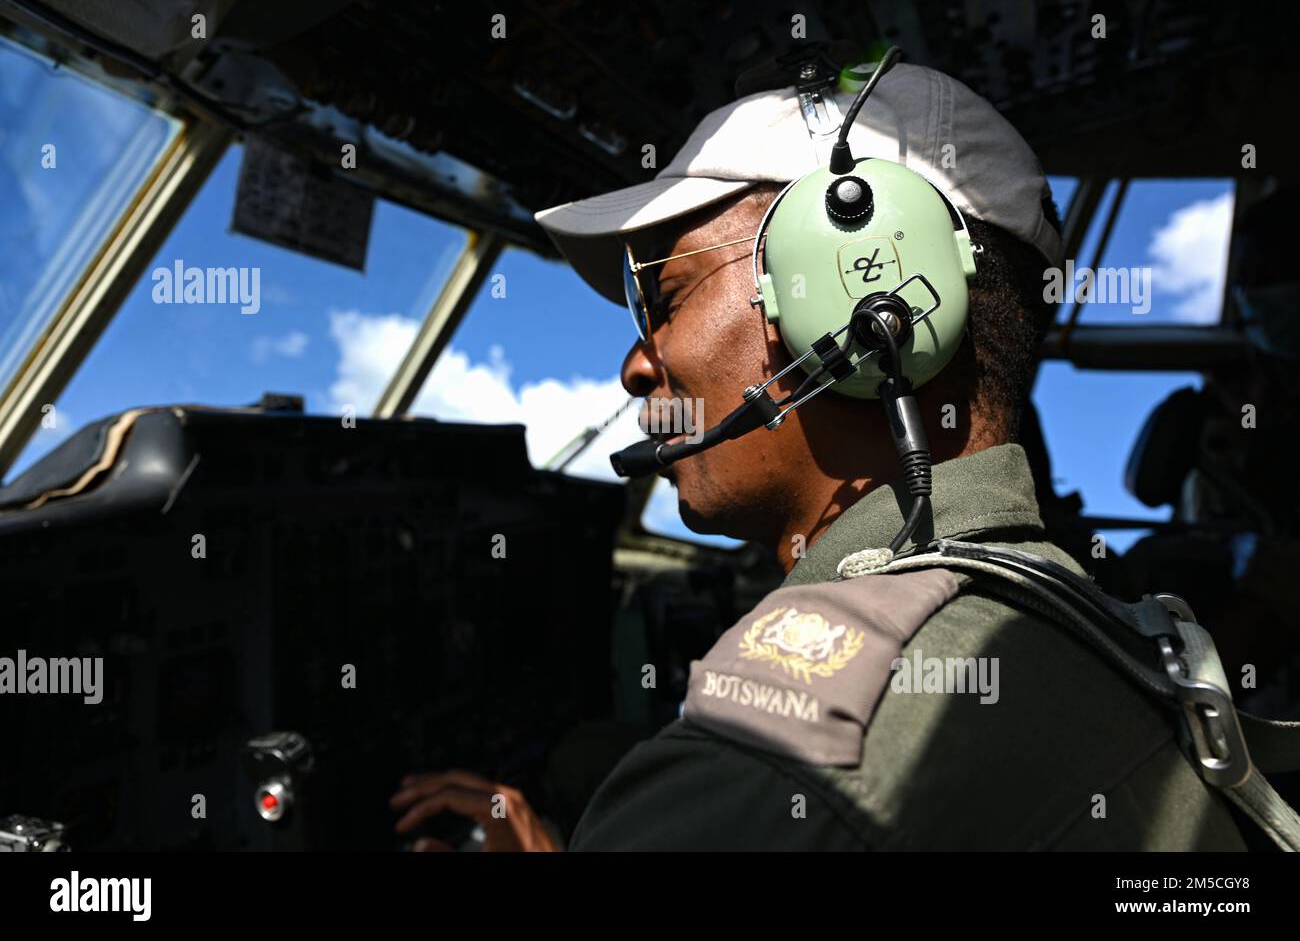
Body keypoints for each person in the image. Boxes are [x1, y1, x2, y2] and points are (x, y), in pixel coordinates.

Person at [390, 57, 1249, 850]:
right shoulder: (1104, 629)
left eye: (665, 294)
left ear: (859, 292)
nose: (636, 363)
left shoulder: (780, 763)